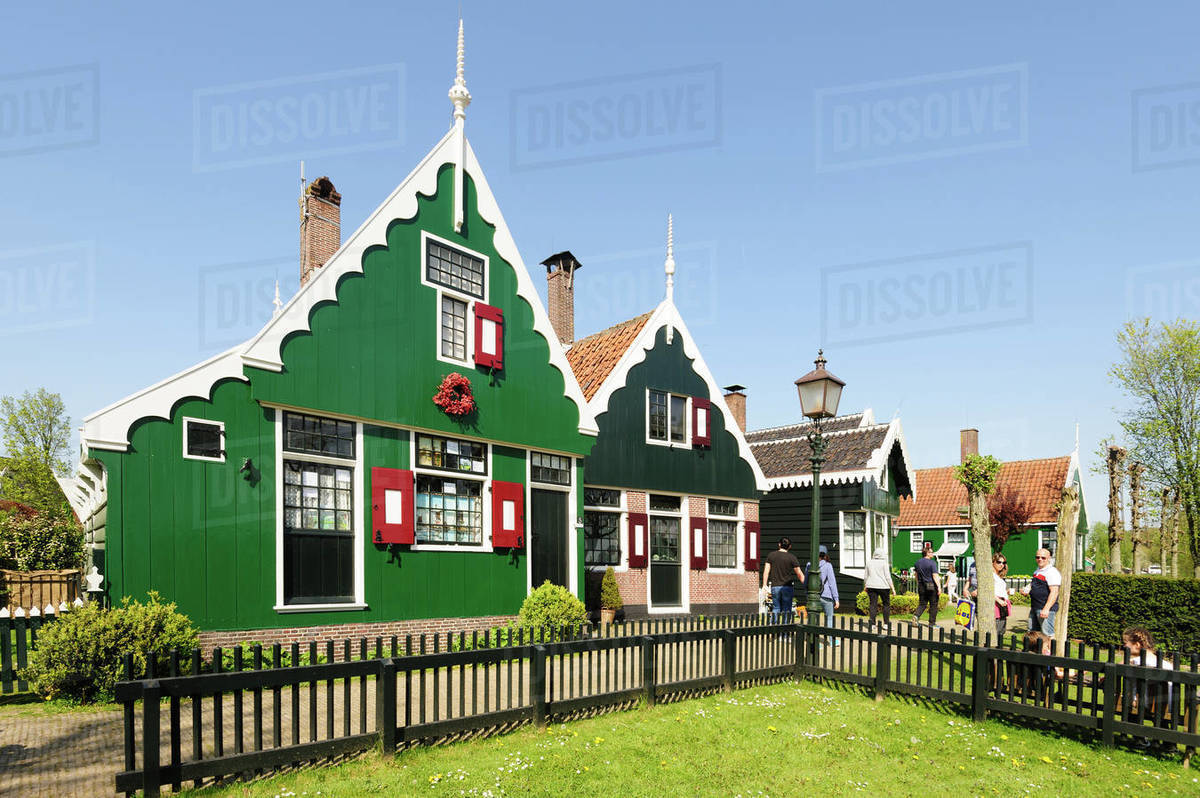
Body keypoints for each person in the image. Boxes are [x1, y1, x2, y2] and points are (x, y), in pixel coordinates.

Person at [761, 537, 804, 623]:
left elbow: (766, 571)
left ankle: (774, 630)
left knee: (776, 608)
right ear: (790, 546)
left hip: (775, 586)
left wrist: (764, 585)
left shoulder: (771, 555)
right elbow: (799, 573)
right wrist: (805, 584)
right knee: (786, 610)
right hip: (787, 587)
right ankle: (785, 632)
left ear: (779, 544)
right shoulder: (792, 557)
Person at [1021, 548, 1061, 635]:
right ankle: (1036, 649)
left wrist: (1046, 609)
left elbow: (1054, 592)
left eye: (1043, 558)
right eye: (1037, 557)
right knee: (1032, 633)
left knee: (1047, 634)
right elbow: (1033, 584)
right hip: (1035, 607)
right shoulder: (1037, 571)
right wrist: (1027, 590)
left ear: (1049, 558)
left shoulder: (1052, 572)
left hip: (1045, 608)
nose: (1040, 559)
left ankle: (1048, 649)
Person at [805, 545, 840, 645]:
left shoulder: (809, 565)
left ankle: (814, 641)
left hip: (813, 596)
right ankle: (832, 641)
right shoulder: (828, 565)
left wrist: (807, 593)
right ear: (825, 554)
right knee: (829, 618)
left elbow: (806, 581)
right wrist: (836, 598)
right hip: (826, 596)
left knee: (813, 619)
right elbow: (832, 583)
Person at [863, 548, 895, 626]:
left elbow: (866, 576)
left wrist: (865, 585)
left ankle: (872, 624)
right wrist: (893, 588)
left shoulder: (869, 563)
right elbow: (888, 576)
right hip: (883, 586)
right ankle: (886, 624)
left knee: (873, 605)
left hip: (871, 586)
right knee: (886, 604)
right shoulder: (884, 563)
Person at [912, 546, 940, 625]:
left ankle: (916, 616)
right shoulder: (932, 563)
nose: (933, 554)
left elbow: (916, 575)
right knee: (933, 604)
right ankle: (932, 623)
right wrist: (939, 587)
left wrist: (919, 583)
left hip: (921, 585)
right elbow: (935, 576)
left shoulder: (917, 563)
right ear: (927, 553)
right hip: (930, 584)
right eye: (931, 552)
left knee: (922, 603)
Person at [991, 553, 1012, 639]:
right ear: (993, 562)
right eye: (999, 562)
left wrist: (1006, 592)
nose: (1001, 565)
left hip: (1003, 604)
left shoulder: (998, 576)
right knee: (997, 629)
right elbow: (989, 591)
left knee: (1002, 630)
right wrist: (998, 600)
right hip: (997, 604)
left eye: (1003, 563)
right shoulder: (991, 575)